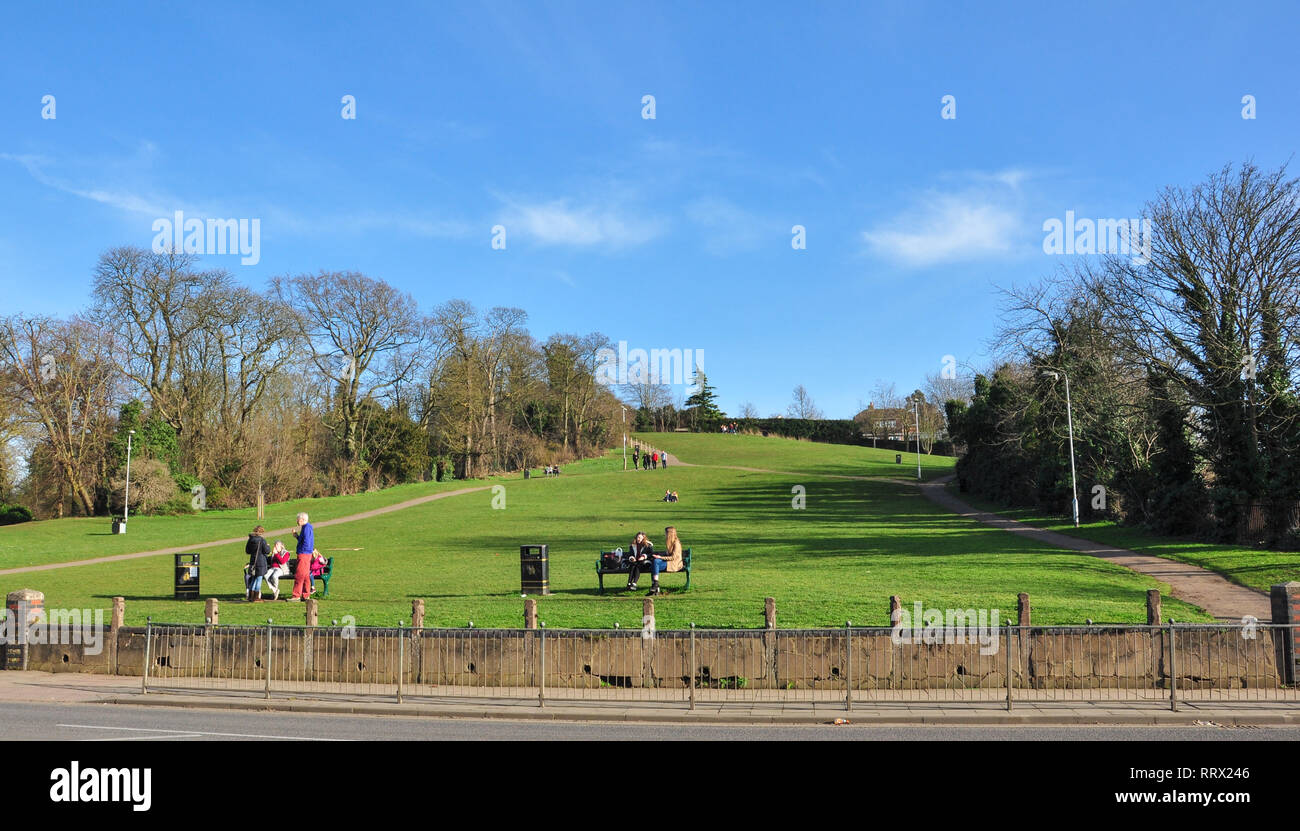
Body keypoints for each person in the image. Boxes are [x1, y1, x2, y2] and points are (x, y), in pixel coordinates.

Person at [646, 525, 685, 595]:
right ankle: (655, 586)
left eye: (666, 533)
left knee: (656, 562)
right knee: (654, 563)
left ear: (669, 534)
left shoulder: (676, 543)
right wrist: (659, 556)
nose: (665, 535)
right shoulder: (670, 542)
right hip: (669, 562)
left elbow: (673, 557)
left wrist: (660, 557)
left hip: (674, 564)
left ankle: (655, 585)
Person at [290, 512, 314, 600]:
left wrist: (302, 551)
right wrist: (297, 536)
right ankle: (306, 594)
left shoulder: (307, 527)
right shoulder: (306, 527)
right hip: (306, 553)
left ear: (302, 520)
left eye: (298, 519)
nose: (297, 521)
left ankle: (296, 595)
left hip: (304, 553)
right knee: (305, 575)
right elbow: (303, 539)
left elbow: (306, 542)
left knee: (299, 574)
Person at [244, 525, 269, 602]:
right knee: (259, 579)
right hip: (260, 562)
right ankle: (256, 597)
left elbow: (247, 551)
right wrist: (268, 546)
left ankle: (250, 596)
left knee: (254, 578)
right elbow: (267, 551)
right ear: (261, 532)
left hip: (253, 561)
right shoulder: (262, 540)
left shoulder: (250, 539)